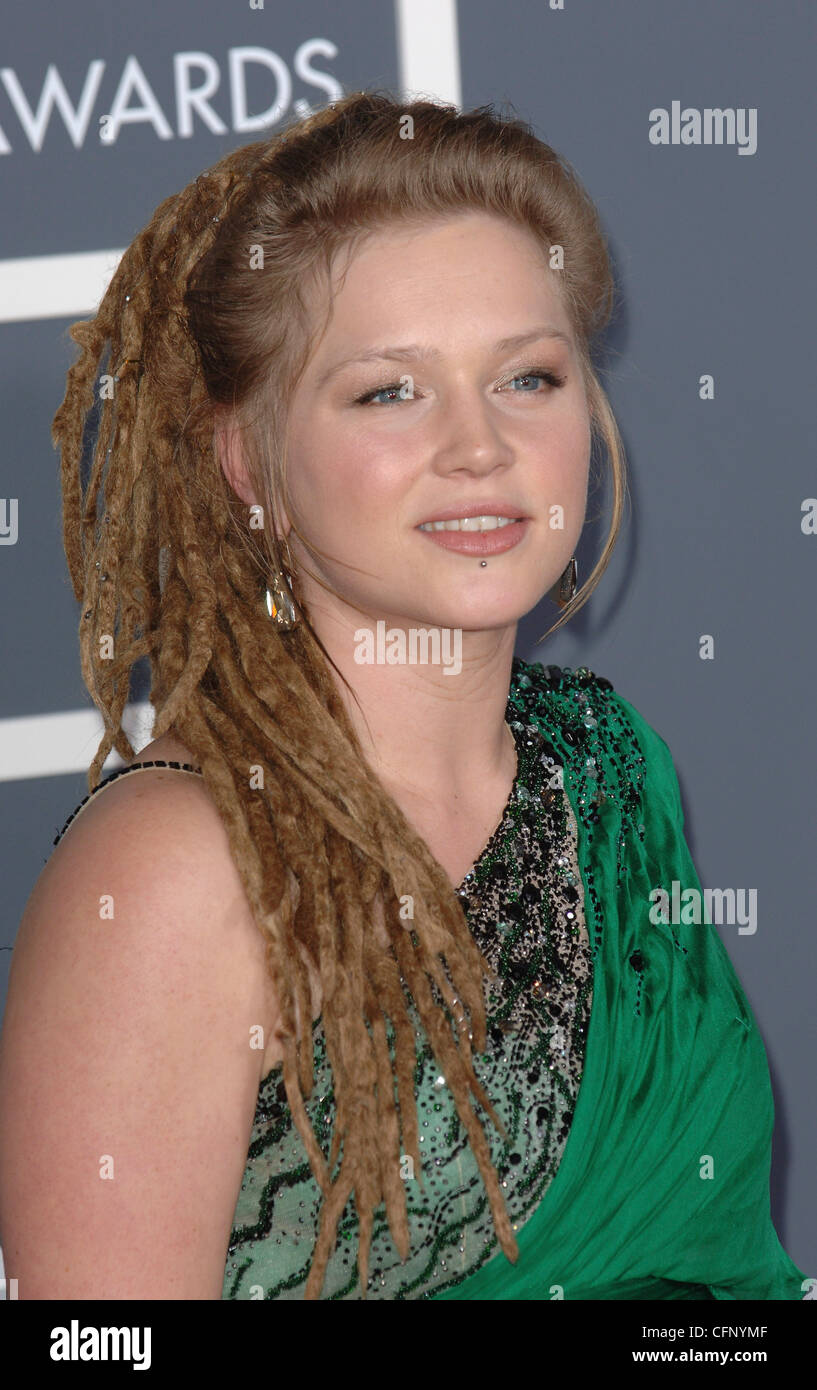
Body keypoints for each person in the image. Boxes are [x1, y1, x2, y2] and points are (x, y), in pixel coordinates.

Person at [0, 90, 808, 1301]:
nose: (479, 446)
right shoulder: (176, 868)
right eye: (389, 390)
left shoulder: (606, 767)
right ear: (248, 462)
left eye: (528, 377)